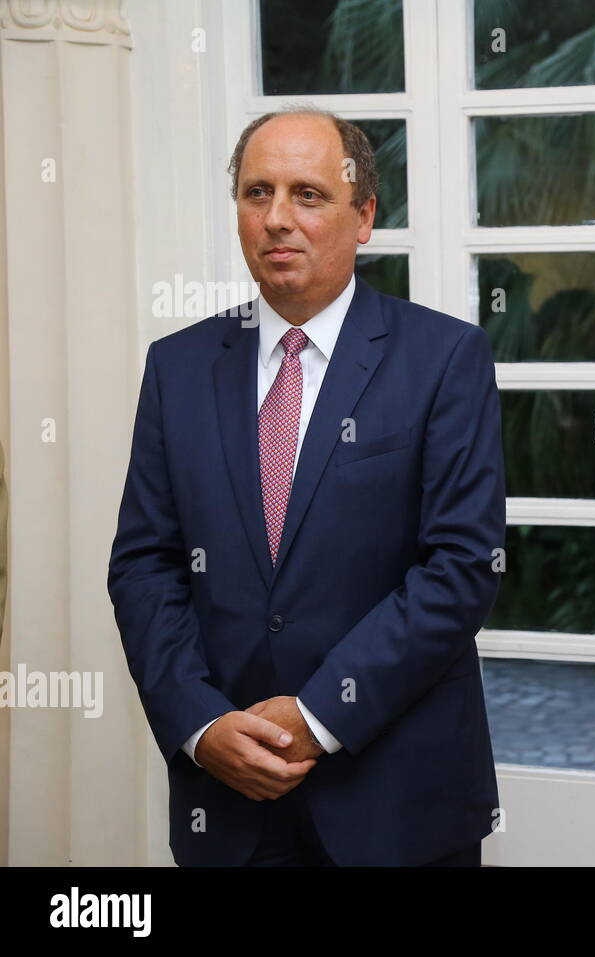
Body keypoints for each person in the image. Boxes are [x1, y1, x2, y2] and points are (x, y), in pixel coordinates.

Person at [107, 107, 505, 866]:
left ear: (364, 217)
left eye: (308, 194)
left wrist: (319, 714)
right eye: (258, 193)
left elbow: (460, 569)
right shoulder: (178, 368)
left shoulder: (445, 358)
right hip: (228, 804)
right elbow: (143, 565)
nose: (278, 219)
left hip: (398, 807)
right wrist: (200, 724)